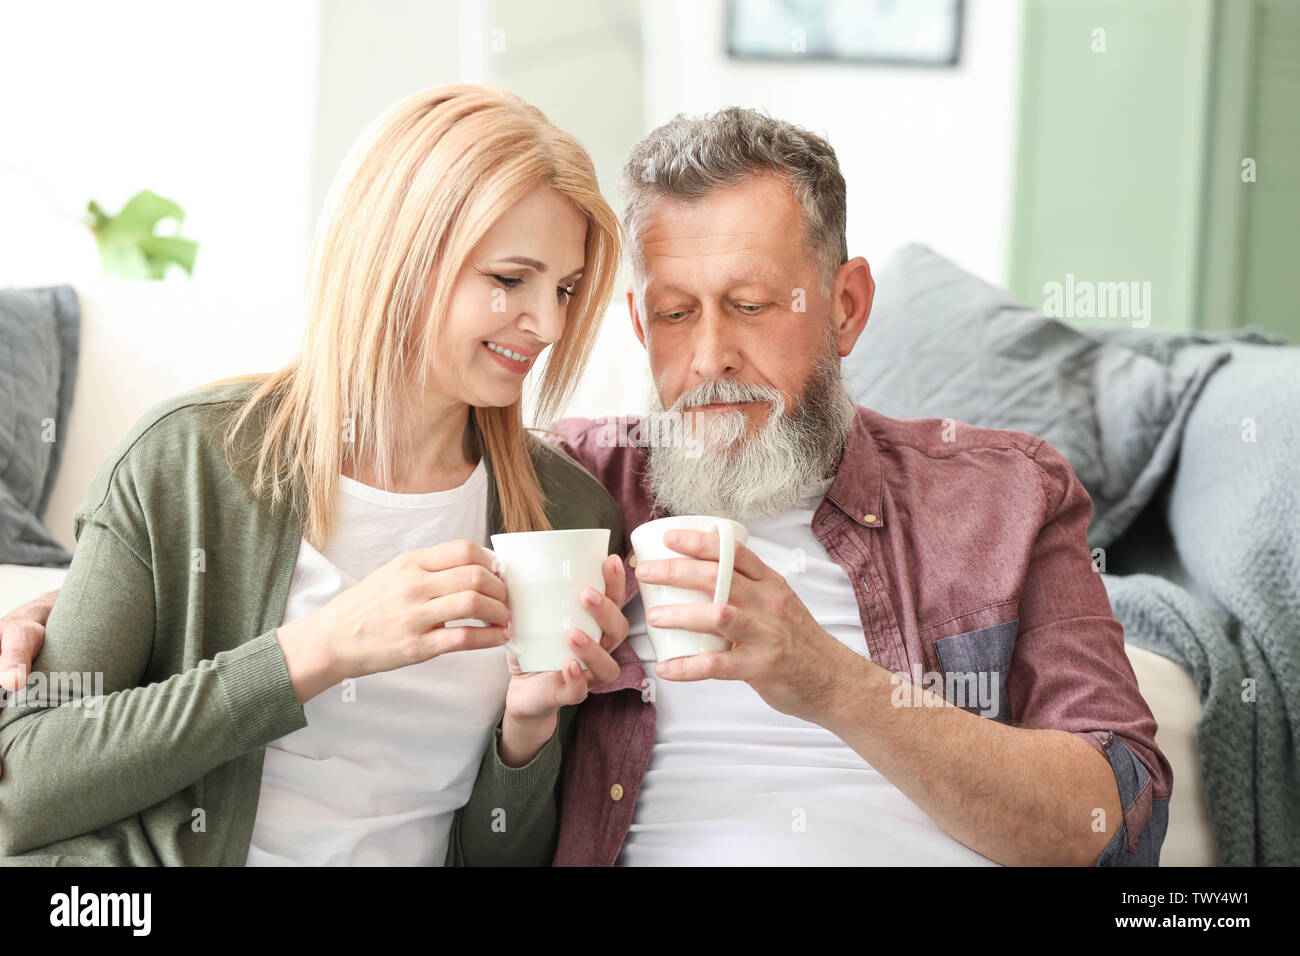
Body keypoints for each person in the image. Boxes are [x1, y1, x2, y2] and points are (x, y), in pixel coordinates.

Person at [452, 107, 1173, 866]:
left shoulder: (1005, 495)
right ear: (639, 324)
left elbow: (1115, 825)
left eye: (752, 306)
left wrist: (830, 683)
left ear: (846, 307)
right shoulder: (563, 492)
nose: (710, 359)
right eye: (675, 313)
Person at [0, 83, 630, 865]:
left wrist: (526, 735)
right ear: (398, 260)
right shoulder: (186, 461)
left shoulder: (563, 511)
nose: (549, 324)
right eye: (509, 280)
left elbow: (507, 856)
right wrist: (318, 649)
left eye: (565, 289)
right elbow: (21, 787)